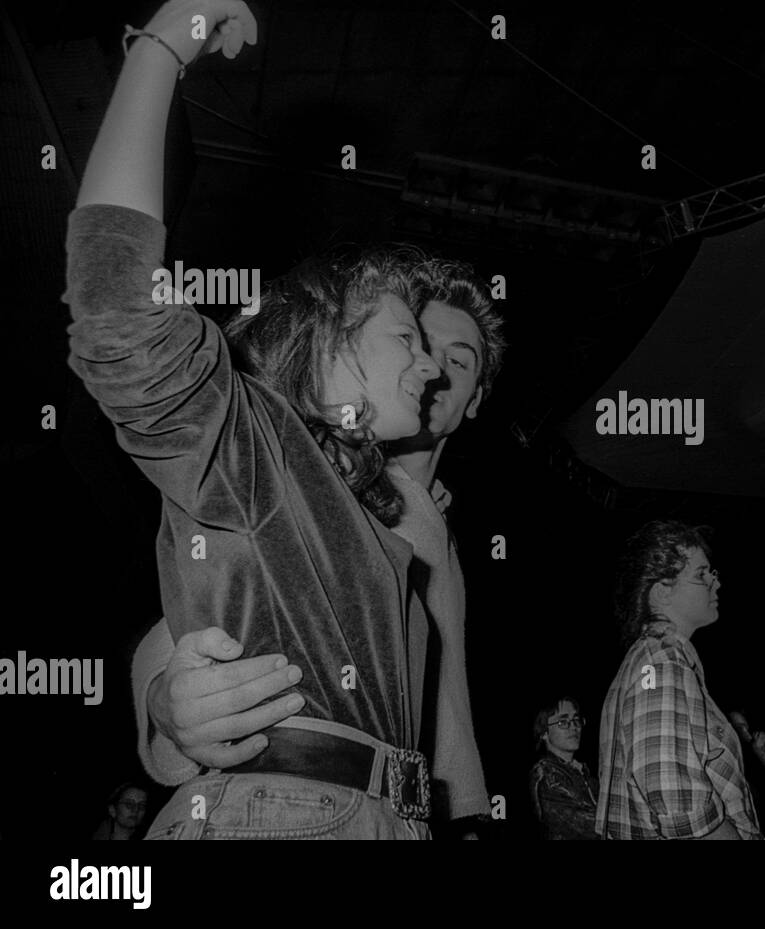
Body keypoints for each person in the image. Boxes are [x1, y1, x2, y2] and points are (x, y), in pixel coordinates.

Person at [67, 0, 445, 839]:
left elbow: (224, 594)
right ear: (324, 338)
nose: (431, 367)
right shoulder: (264, 442)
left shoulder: (368, 519)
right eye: (410, 337)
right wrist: (163, 49)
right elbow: (114, 311)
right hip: (294, 811)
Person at [129, 258, 506, 835]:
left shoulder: (436, 525)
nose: (432, 367)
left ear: (476, 398)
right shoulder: (313, 468)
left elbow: (448, 697)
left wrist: (467, 810)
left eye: (460, 359)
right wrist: (165, 702)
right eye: (413, 339)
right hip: (304, 803)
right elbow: (205, 602)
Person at [594, 521, 761, 839]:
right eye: (701, 574)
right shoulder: (662, 660)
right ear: (661, 592)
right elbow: (676, 801)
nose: (716, 583)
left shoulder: (655, 658)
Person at [528, 697, 600, 840]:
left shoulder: (583, 772)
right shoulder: (547, 775)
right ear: (544, 733)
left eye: (576, 720)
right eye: (563, 722)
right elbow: (594, 828)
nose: (573, 727)